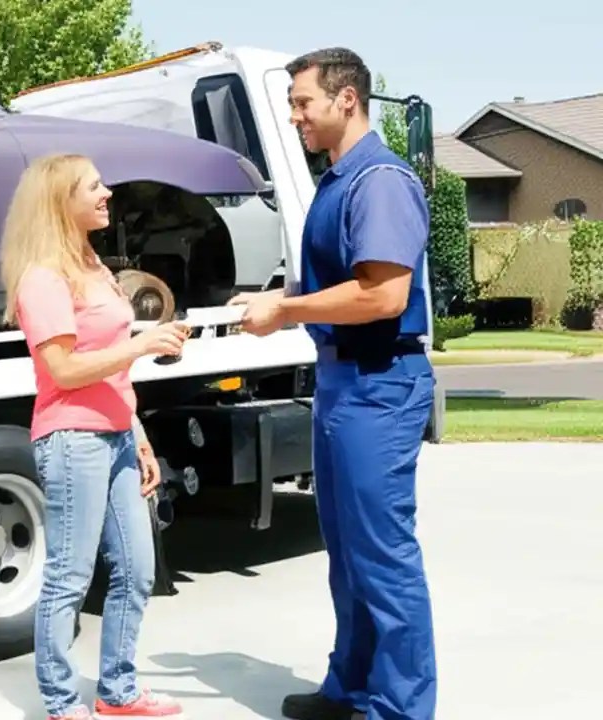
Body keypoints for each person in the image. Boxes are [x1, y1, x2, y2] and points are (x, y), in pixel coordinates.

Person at [232, 48, 438, 720]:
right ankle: (350, 689)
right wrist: (280, 296)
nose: (294, 117)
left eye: (302, 103)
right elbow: (342, 282)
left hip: (379, 384)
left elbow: (383, 296)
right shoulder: (340, 180)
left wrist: (287, 311)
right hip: (343, 382)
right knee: (348, 556)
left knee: (381, 557)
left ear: (346, 99)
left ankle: (401, 709)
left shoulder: (379, 179)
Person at [0, 153, 189, 720]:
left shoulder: (95, 268)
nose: (107, 193)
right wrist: (143, 343)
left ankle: (118, 691)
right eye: (94, 186)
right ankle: (61, 702)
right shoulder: (43, 277)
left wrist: (139, 434)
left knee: (138, 570)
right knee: (70, 575)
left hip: (116, 436)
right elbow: (63, 370)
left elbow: (111, 372)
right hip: (71, 440)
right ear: (62, 202)